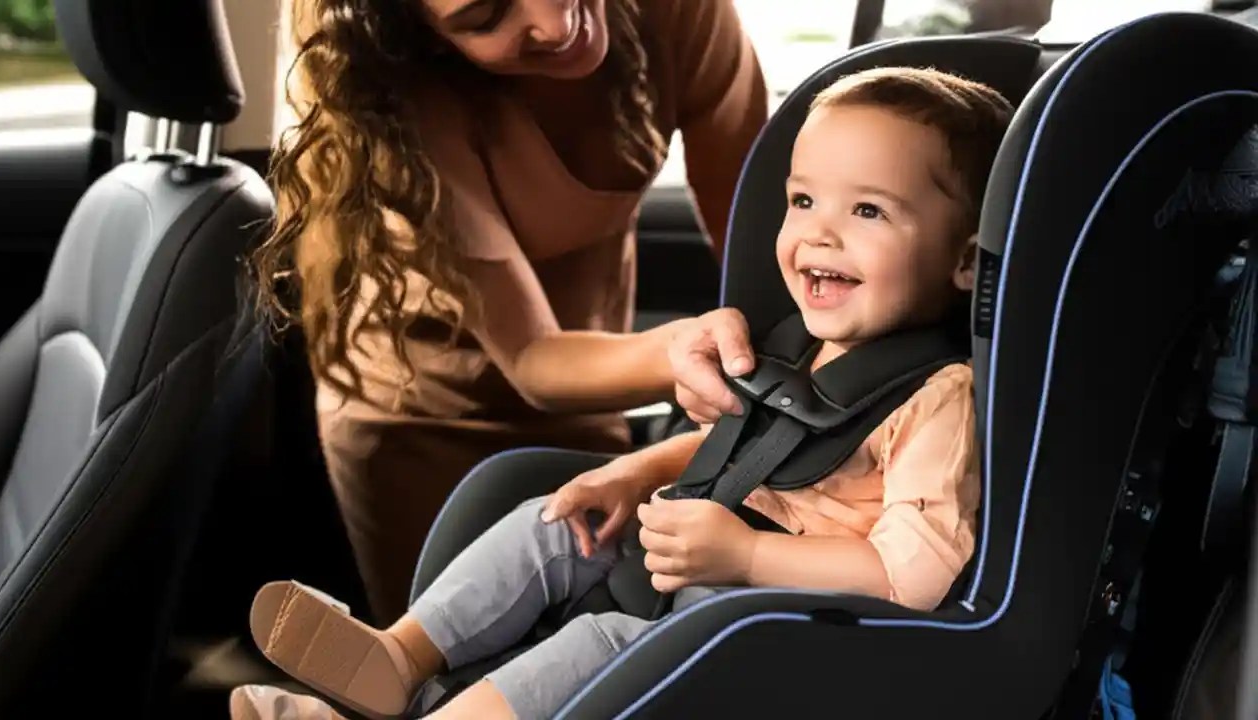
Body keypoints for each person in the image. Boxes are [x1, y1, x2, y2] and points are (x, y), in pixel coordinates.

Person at [233, 65, 1013, 720]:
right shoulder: (802, 345)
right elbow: (742, 446)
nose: (819, 233)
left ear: (966, 262)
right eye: (803, 201)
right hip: (705, 551)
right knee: (552, 525)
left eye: (868, 210)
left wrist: (746, 555)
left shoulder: (938, 398)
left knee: (600, 644)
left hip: (771, 622)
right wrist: (635, 475)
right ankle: (395, 659)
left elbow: (911, 576)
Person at [253, 0, 769, 624]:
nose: (554, 25)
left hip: (593, 390)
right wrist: (696, 350)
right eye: (483, 18)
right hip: (425, 416)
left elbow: (756, 237)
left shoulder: (681, 16)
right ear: (428, 37)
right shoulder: (398, 102)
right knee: (446, 667)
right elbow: (532, 356)